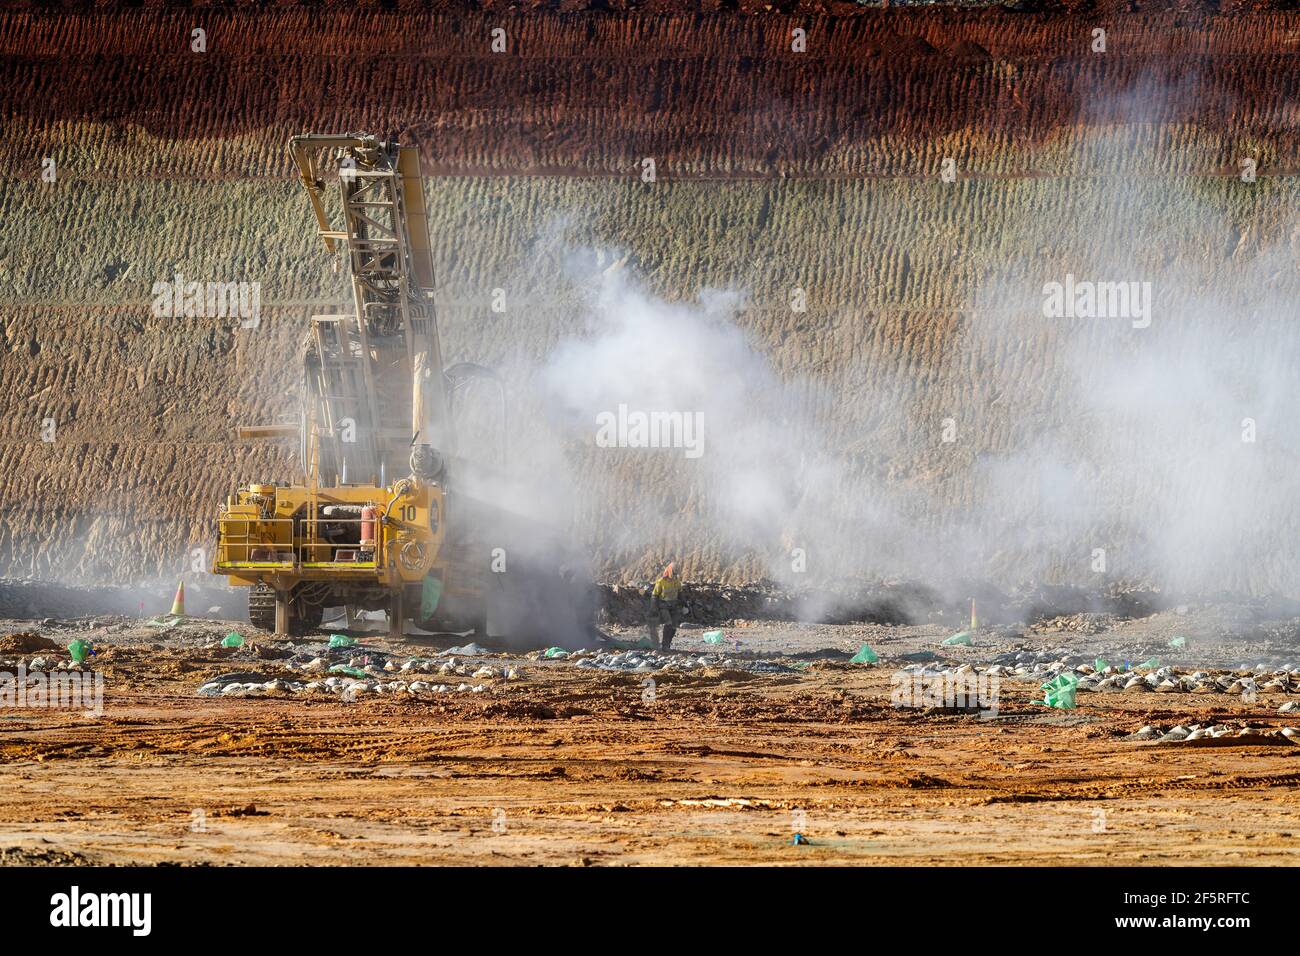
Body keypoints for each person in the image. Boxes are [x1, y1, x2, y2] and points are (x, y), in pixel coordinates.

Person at [649, 562, 682, 651]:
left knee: (674, 627)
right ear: (670, 571)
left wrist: (684, 604)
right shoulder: (661, 582)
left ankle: (667, 644)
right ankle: (664, 645)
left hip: (674, 606)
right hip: (664, 606)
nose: (675, 574)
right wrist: (654, 608)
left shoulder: (677, 581)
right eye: (674, 572)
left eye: (676, 572)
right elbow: (654, 595)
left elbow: (680, 593)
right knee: (668, 623)